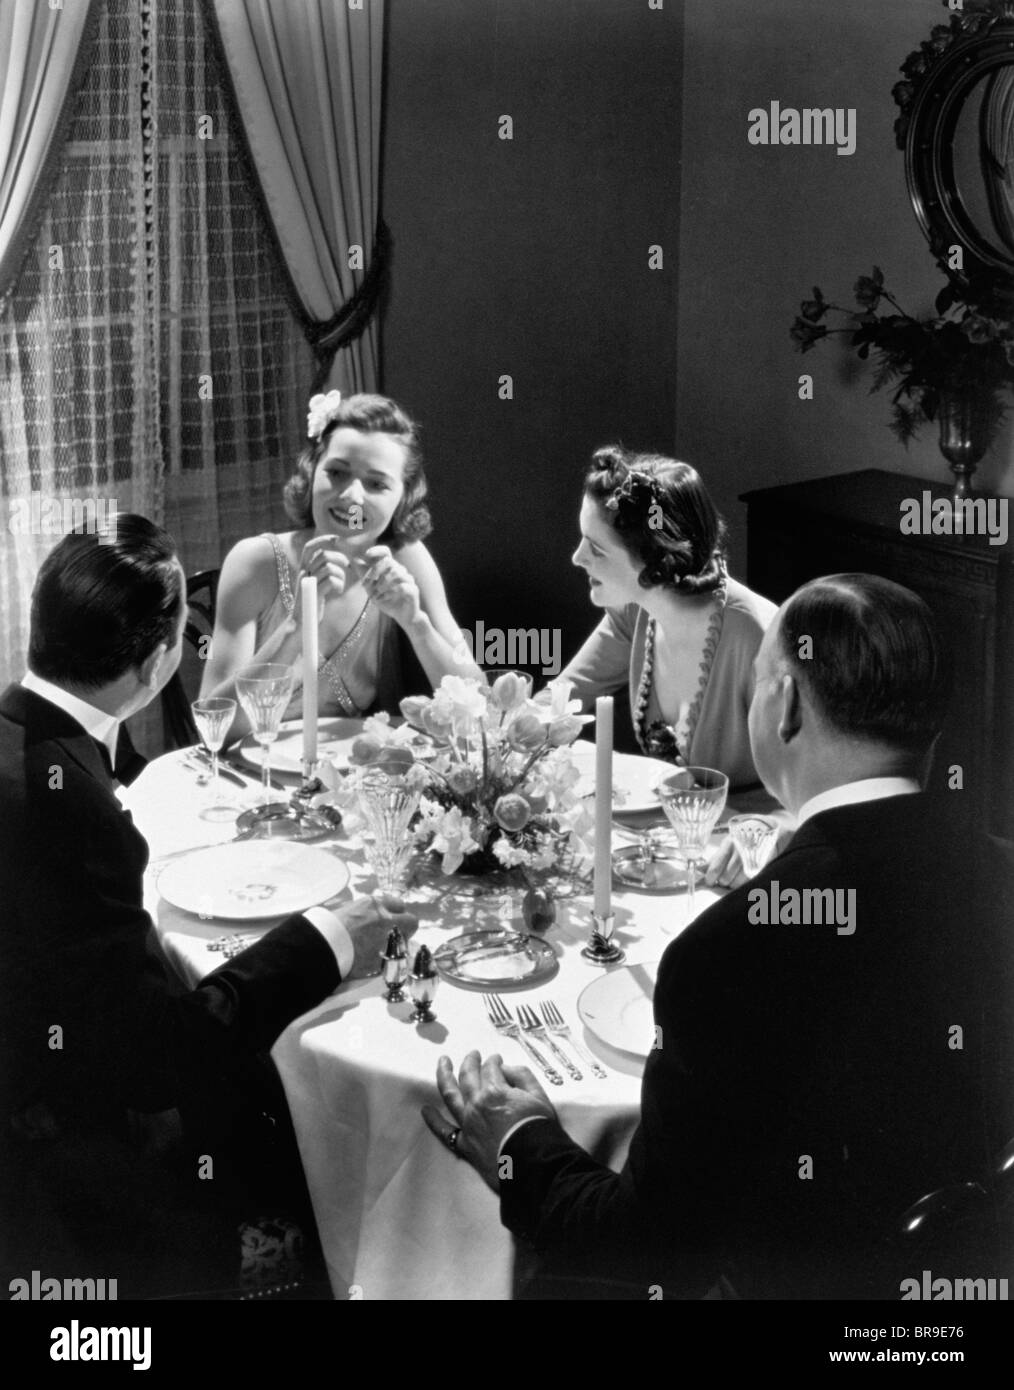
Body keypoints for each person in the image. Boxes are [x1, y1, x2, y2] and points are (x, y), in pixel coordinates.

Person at [423, 574, 1014, 1299]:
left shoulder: (726, 953)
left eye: (762, 680)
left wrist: (520, 1142)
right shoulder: (1000, 871)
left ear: (786, 704)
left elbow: (648, 1248)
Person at [0, 517, 416, 1298]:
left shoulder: (23, 736)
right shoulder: (72, 812)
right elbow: (161, 1055)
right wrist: (332, 935)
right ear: (160, 661)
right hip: (70, 1184)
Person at [200, 391, 481, 742]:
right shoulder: (255, 562)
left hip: (352, 779)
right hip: (257, 777)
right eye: (337, 473)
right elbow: (216, 726)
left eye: (376, 484)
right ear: (311, 472)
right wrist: (295, 626)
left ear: (402, 496)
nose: (351, 497)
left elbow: (477, 710)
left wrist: (417, 624)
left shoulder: (405, 557)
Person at [562, 446, 777, 789]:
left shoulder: (759, 639)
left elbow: (806, 800)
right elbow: (556, 706)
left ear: (655, 557)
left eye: (596, 548)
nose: (577, 558)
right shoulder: (632, 613)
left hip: (749, 836)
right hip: (667, 833)